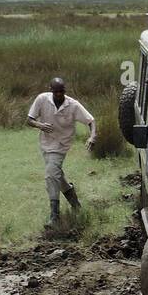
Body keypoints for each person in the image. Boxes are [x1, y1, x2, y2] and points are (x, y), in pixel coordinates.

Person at [27, 77, 96, 223]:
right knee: (57, 174)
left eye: (61, 91)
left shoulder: (73, 105)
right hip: (46, 143)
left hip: (61, 144)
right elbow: (29, 120)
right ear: (51, 90)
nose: (59, 94)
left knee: (51, 175)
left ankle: (55, 216)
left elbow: (91, 121)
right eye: (56, 92)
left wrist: (92, 137)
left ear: (65, 91)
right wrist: (40, 125)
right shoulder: (42, 99)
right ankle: (75, 204)